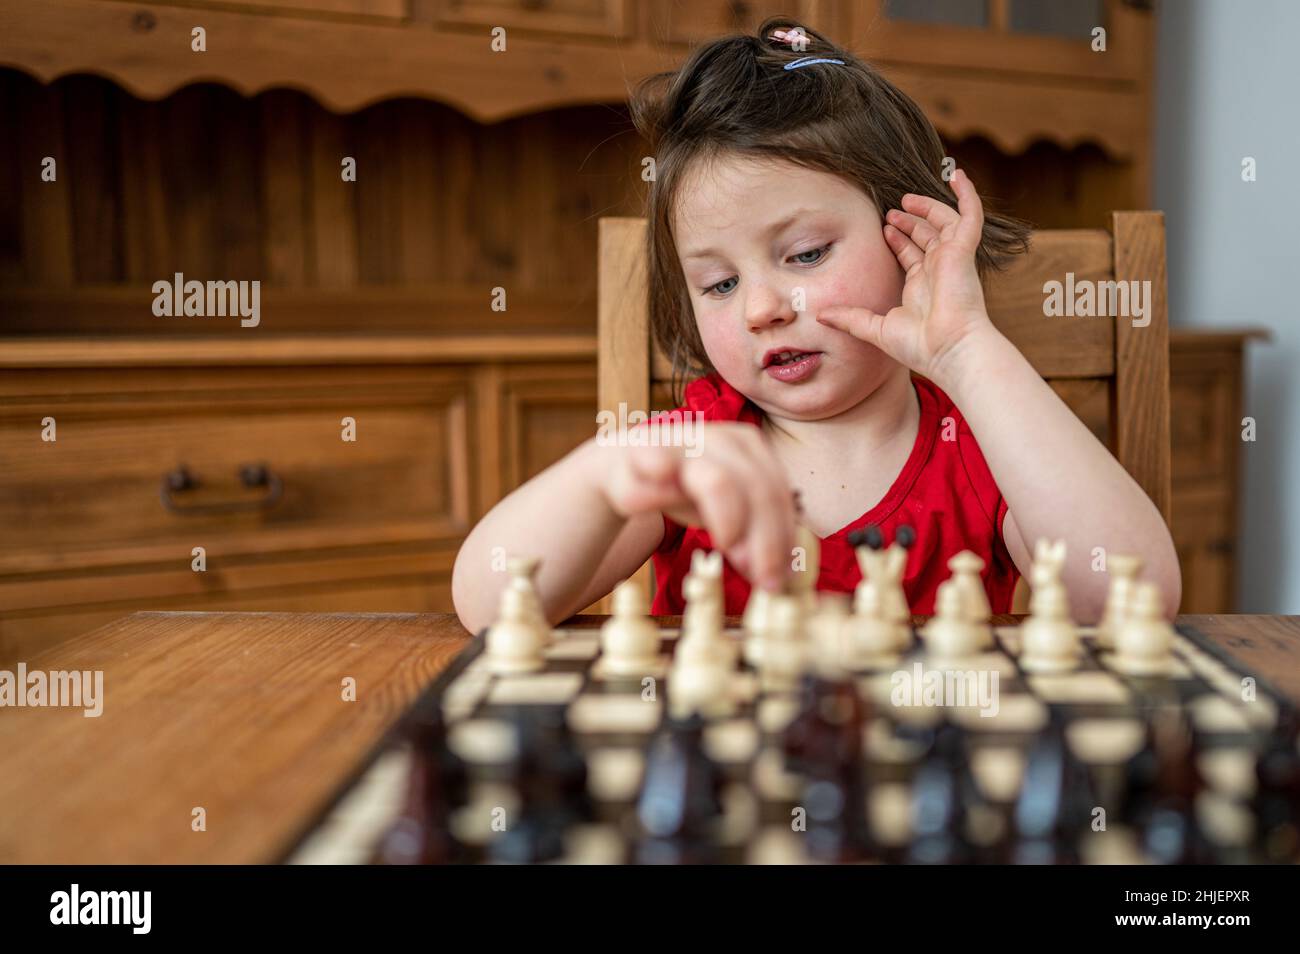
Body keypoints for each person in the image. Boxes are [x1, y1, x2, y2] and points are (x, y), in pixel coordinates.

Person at [451, 19, 1180, 632]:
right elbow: (489, 602)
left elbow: (1132, 600)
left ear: (910, 238)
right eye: (719, 283)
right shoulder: (696, 450)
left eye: (804, 254)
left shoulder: (982, 446)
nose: (760, 307)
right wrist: (610, 475)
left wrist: (967, 350)